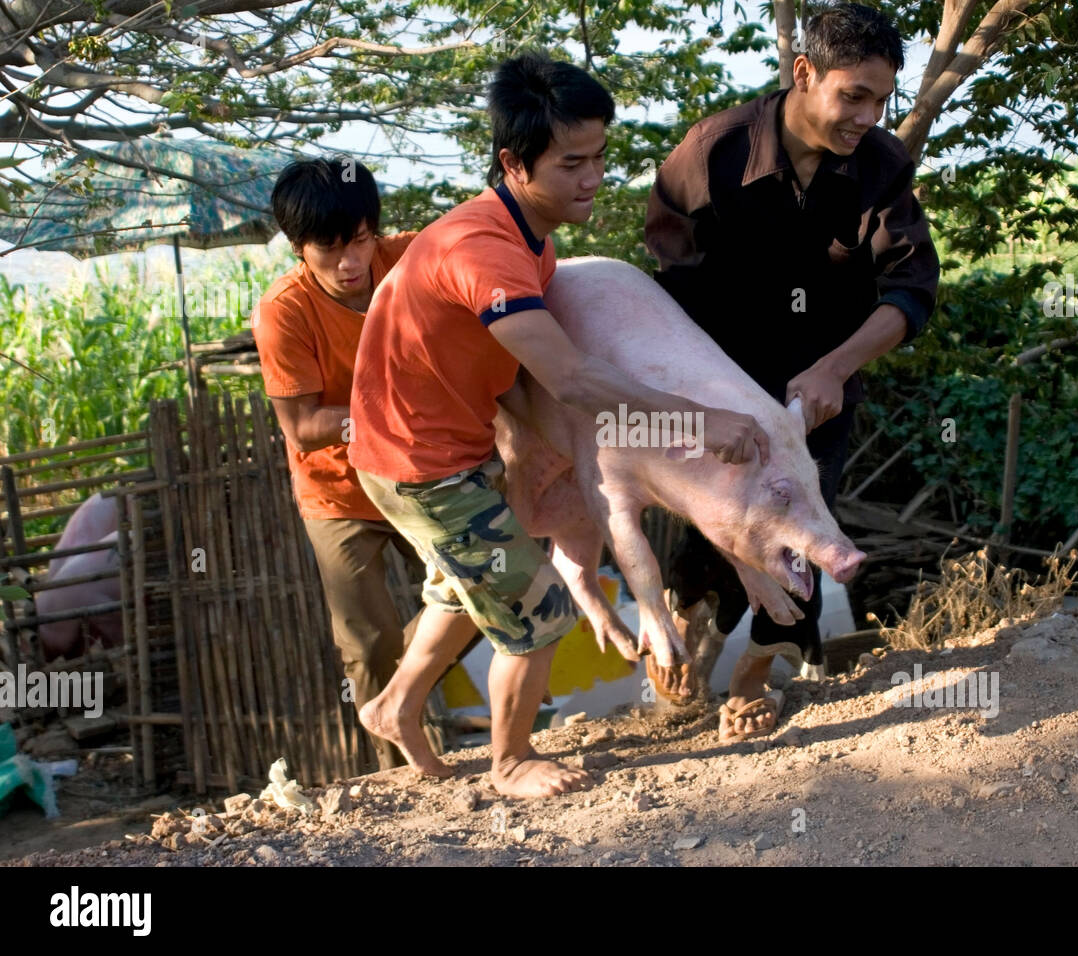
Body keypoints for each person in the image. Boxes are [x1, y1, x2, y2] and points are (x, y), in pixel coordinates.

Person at [347, 51, 770, 798]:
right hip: (418, 460)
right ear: (514, 163)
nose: (593, 177)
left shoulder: (528, 238)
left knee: (462, 586)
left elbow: (513, 376)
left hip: (449, 446)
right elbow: (570, 377)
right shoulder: (486, 250)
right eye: (573, 162)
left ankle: (394, 704)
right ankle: (510, 762)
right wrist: (703, 423)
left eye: (600, 156)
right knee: (537, 606)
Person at [644, 1, 940, 740]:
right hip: (717, 384)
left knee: (807, 524)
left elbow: (912, 289)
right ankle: (687, 617)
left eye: (881, 99)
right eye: (854, 95)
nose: (867, 115)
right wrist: (696, 394)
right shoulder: (713, 151)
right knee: (713, 528)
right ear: (805, 73)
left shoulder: (881, 166)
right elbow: (664, 285)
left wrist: (834, 368)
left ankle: (754, 676)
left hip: (820, 388)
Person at [253, 157, 441, 770]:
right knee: (366, 643)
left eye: (360, 240)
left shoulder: (410, 256)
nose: (351, 262)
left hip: (422, 472)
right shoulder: (283, 311)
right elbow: (303, 428)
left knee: (479, 588)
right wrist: (390, 410)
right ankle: (400, 777)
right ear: (297, 246)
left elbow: (483, 241)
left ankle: (401, 691)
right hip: (337, 493)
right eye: (329, 249)